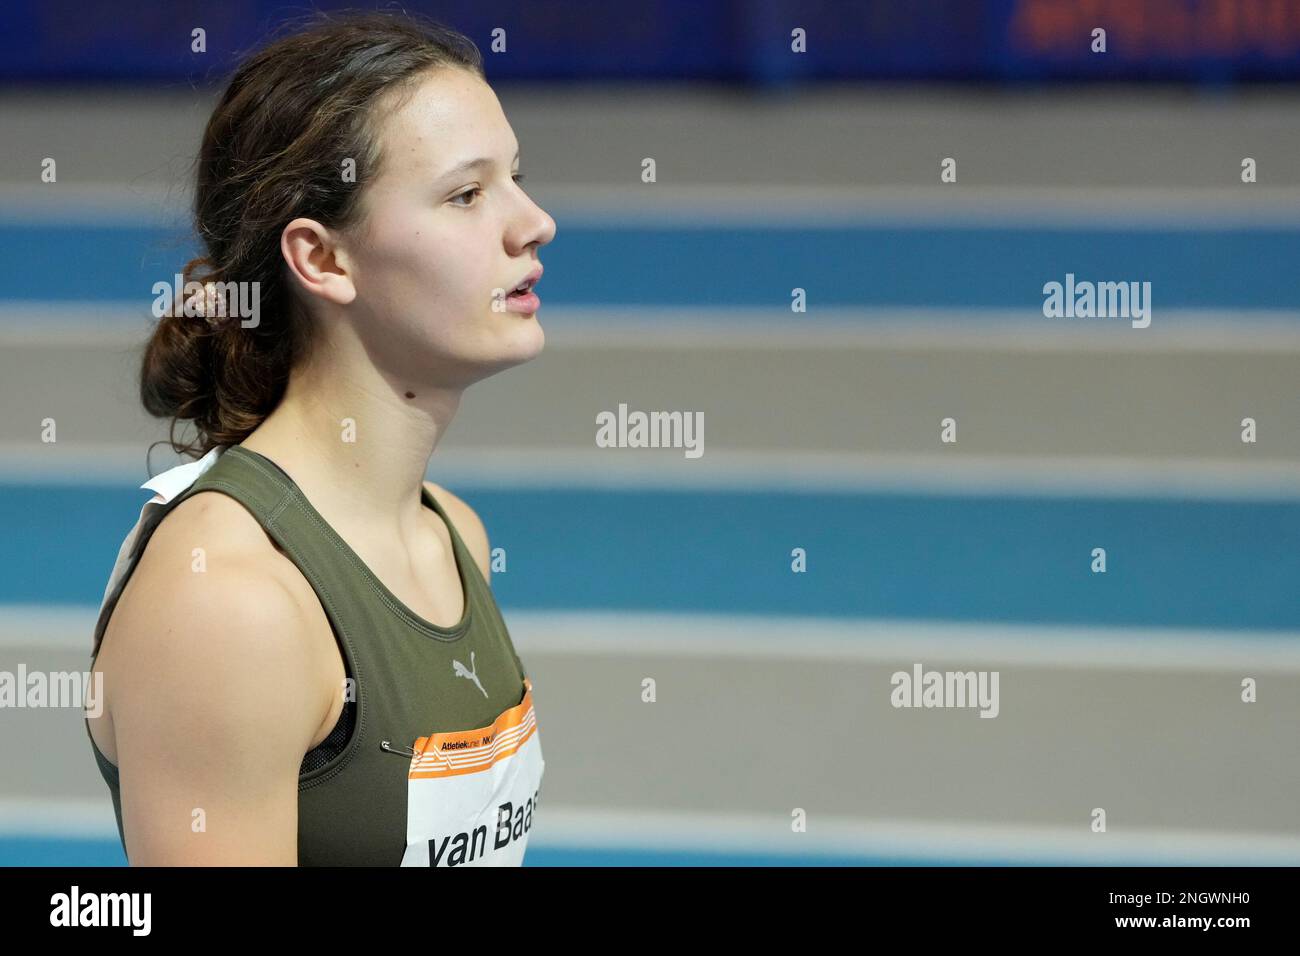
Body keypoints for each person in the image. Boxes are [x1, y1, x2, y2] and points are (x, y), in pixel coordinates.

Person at [84, 10, 556, 866]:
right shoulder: (232, 606)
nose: (534, 223)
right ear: (323, 260)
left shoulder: (453, 535)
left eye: (517, 177)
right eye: (466, 194)